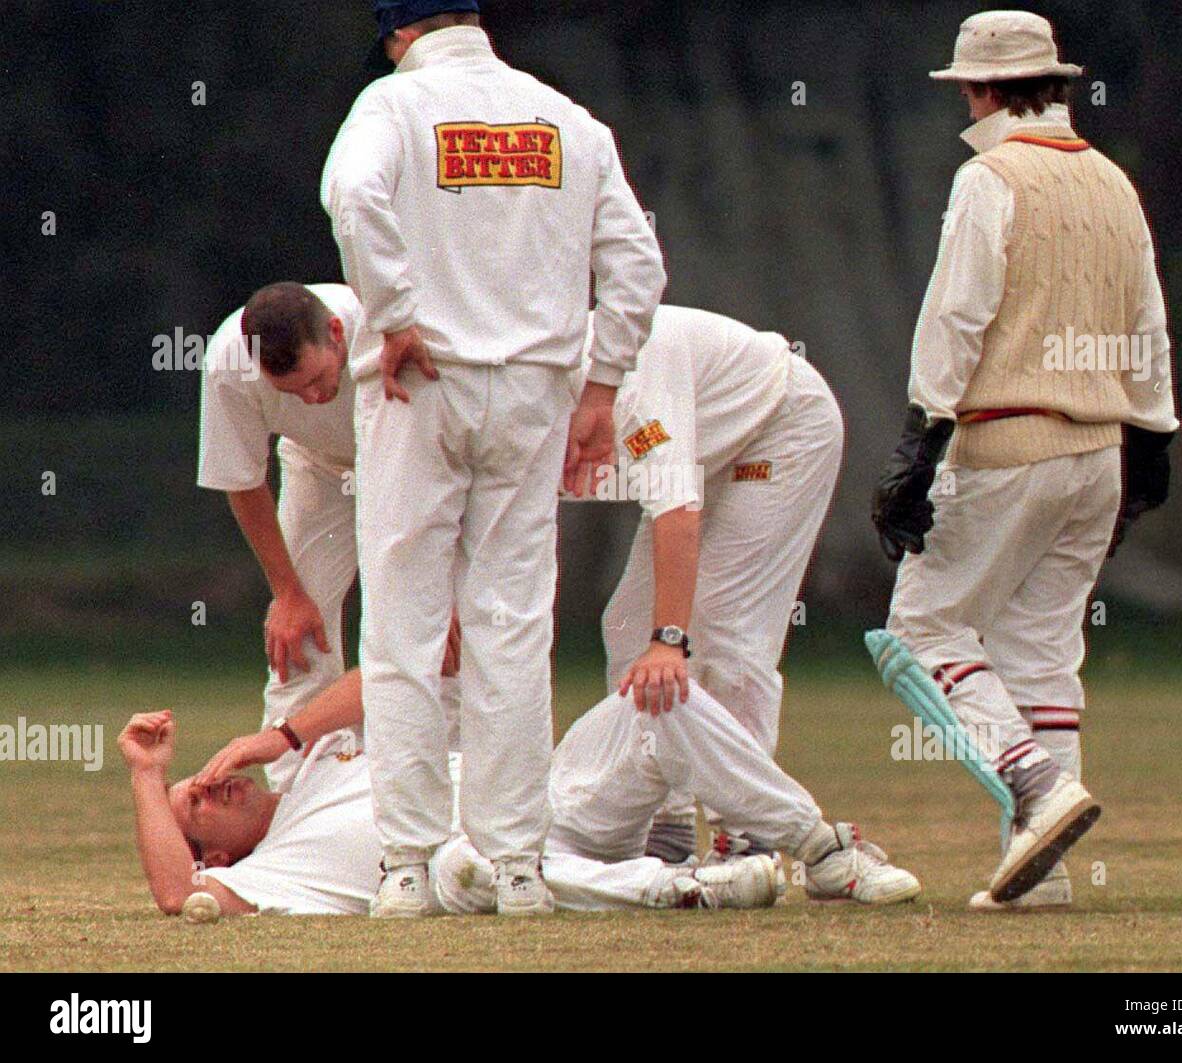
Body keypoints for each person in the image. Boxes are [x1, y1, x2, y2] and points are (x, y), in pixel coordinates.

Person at [320, 1, 666, 917]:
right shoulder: (568, 120)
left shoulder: (393, 108)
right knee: (513, 623)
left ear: (399, 37)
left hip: (418, 383)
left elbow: (353, 198)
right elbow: (637, 264)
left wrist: (392, 314)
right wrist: (602, 389)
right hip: (534, 389)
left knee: (402, 619)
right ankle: (517, 867)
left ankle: (406, 863)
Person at [872, 11, 1177, 908]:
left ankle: (1035, 788)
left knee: (921, 635)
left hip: (1007, 439)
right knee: (1041, 652)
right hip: (1100, 447)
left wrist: (918, 442)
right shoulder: (1115, 182)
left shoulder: (987, 178)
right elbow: (1148, 322)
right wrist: (1153, 445)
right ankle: (1041, 873)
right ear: (1055, 83)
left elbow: (957, 318)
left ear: (977, 88)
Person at [118, 669, 920, 917]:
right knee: (459, 868)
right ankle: (681, 889)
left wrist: (277, 735)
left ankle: (821, 851)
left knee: (657, 693)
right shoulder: (259, 879)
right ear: (216, 851)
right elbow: (170, 891)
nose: (216, 779)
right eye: (202, 798)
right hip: (497, 870)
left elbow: (395, 666)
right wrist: (152, 775)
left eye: (207, 773)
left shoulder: (313, 758)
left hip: (552, 799)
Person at [568, 304, 845, 864]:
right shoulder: (522, 401)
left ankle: (747, 832)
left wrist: (670, 640)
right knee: (625, 626)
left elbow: (677, 514)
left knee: (723, 627)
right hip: (710, 447)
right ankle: (662, 826)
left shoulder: (630, 389)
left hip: (782, 425)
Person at [197, 282, 364, 791]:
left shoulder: (382, 325)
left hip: (411, 468)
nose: (313, 399)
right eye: (292, 392)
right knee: (299, 641)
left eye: (317, 379)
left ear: (336, 334)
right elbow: (244, 481)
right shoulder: (229, 365)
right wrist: (288, 593)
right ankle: (298, 808)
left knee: (437, 640)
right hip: (319, 467)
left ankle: (452, 814)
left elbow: (446, 453)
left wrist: (438, 588)